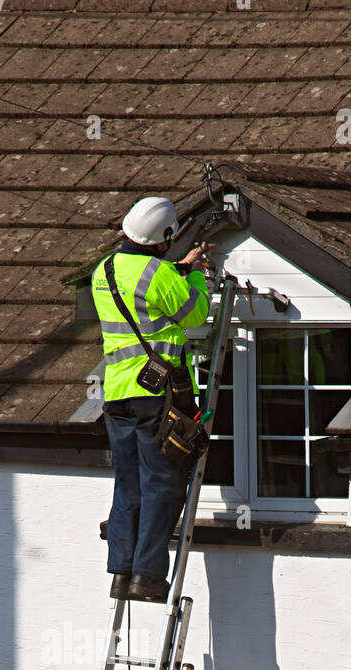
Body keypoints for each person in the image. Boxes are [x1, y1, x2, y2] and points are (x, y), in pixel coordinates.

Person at [91, 196, 212, 602]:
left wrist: (178, 269)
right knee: (161, 481)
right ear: (162, 238)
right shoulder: (158, 272)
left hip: (117, 393)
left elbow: (144, 295)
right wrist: (197, 277)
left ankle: (122, 573)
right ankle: (148, 577)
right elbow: (194, 314)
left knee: (129, 485)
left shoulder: (102, 270)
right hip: (156, 393)